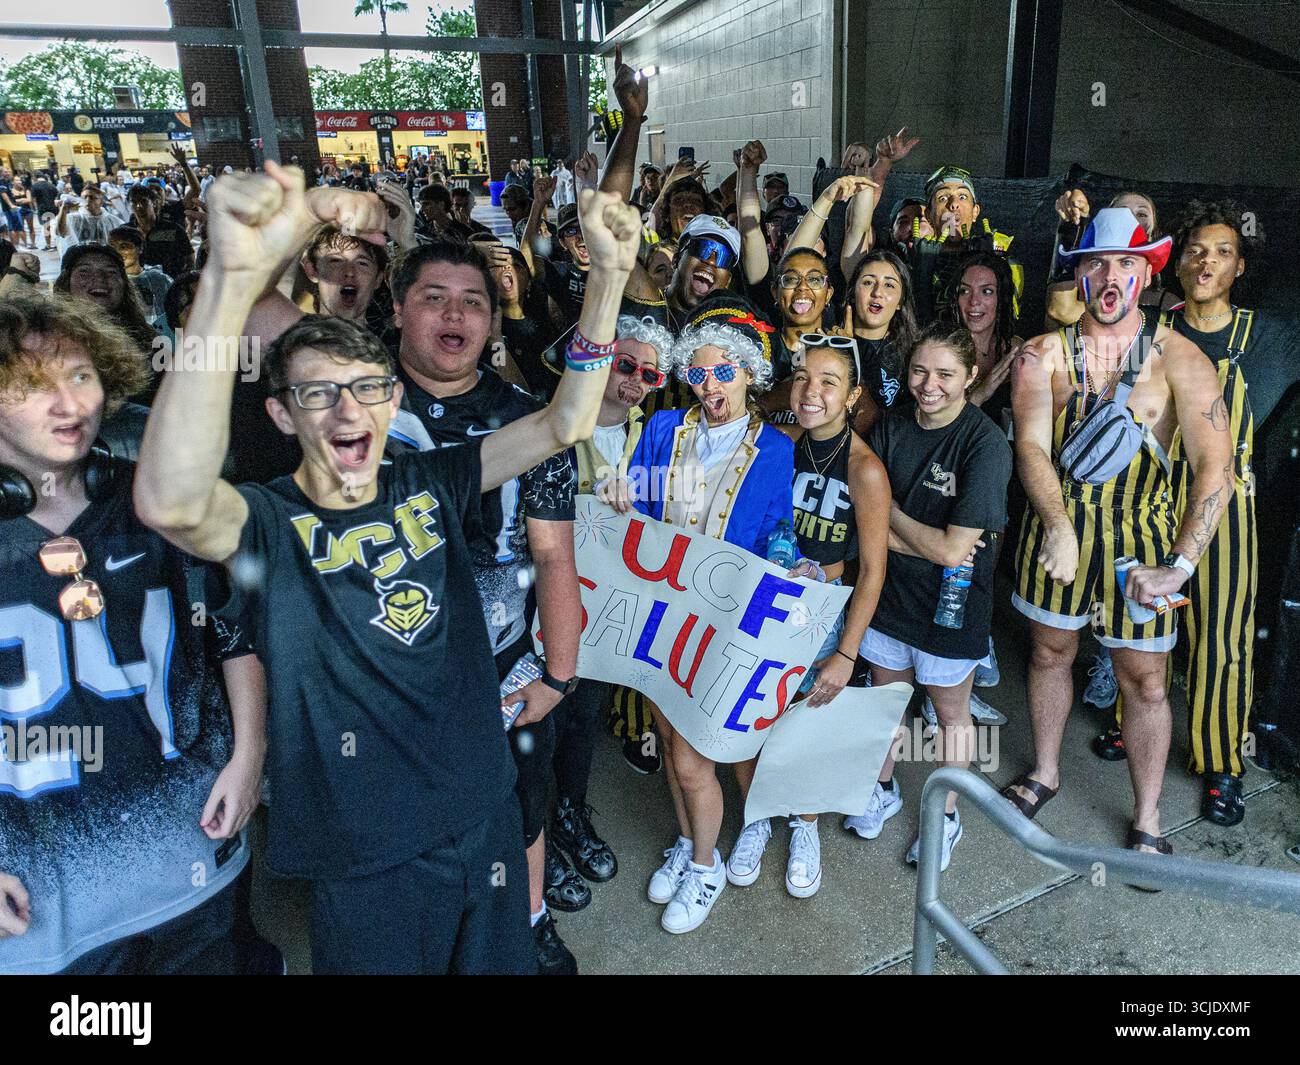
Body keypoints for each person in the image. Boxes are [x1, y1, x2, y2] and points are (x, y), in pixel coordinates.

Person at [134, 162, 640, 975]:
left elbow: (569, 418)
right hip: (365, 843)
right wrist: (231, 277)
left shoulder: (429, 479)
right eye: (318, 394)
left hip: (482, 807)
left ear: (392, 402)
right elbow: (169, 499)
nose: (347, 411)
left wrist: (610, 278)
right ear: (277, 412)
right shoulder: (269, 517)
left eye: (367, 389)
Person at [0, 290, 264, 974]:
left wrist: (249, 752)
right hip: (43, 900)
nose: (68, 403)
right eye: (32, 385)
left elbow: (232, 625)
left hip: (190, 855)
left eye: (80, 375)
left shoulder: (155, 497)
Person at [381, 238, 589, 976]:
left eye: (473, 300)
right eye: (434, 295)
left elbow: (554, 553)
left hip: (500, 658)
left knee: (525, 792)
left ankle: (528, 917)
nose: (455, 313)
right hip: (385, 668)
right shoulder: (348, 402)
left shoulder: (526, 417)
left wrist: (558, 675)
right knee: (400, 813)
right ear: (399, 304)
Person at [1007, 207, 1233, 865]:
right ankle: (1046, 771)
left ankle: (1148, 816)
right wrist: (1056, 525)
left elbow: (1215, 468)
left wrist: (1181, 566)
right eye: (1096, 262)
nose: (1110, 276)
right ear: (1078, 273)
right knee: (1049, 652)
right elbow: (1030, 446)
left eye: (1126, 263)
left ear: (1147, 271)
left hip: (1142, 549)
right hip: (1058, 541)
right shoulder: (1042, 355)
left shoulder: (1181, 361)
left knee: (1147, 682)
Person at [1092, 200, 1300, 827]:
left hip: (1227, 510)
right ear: (1174, 262)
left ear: (1239, 267)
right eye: (1195, 250)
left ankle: (1218, 765)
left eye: (1222, 252)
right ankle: (1135, 726)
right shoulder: (1147, 326)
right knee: (1141, 625)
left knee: (1223, 640)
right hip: (1150, 499)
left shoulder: (1272, 338)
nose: (1206, 261)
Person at [600, 297, 794, 934]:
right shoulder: (662, 431)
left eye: (725, 373)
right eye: (701, 374)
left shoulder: (773, 449)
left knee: (692, 758)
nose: (711, 387)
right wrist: (623, 494)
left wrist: (794, 564)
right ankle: (687, 843)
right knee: (668, 739)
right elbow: (637, 506)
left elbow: (776, 531)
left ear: (749, 374)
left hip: (724, 622)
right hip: (661, 613)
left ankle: (706, 864)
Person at [729, 333, 891, 897]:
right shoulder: (775, 445)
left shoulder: (865, 469)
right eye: (803, 377)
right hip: (758, 605)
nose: (812, 391)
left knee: (803, 725)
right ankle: (756, 818)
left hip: (819, 622)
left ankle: (804, 825)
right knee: (748, 717)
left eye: (830, 381)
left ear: (853, 396)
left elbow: (872, 569)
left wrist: (847, 653)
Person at [850, 323, 1012, 870]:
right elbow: (863, 520)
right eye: (920, 370)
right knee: (885, 701)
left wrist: (888, 515)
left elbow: (952, 553)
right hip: (888, 598)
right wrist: (922, 538)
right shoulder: (891, 426)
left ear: (970, 376)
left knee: (950, 716)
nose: (929, 384)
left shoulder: (984, 444)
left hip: (952, 608)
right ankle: (882, 790)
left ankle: (945, 818)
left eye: (945, 374)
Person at [583, 316, 673, 773]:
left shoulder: (651, 434)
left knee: (591, 698)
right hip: (560, 590)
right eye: (625, 365)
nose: (636, 379)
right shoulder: (559, 420)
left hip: (617, 593)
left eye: (650, 374)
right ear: (602, 361)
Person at [907, 165, 1020, 324]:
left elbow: (1006, 323)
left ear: (975, 212)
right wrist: (921, 274)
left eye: (962, 196)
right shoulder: (912, 262)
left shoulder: (1003, 259)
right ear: (929, 215)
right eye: (943, 198)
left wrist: (989, 265)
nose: (953, 204)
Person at [842, 250, 921, 434]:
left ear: (901, 301)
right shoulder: (830, 344)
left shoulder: (913, 355)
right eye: (868, 282)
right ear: (853, 292)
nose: (878, 293)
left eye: (889, 285)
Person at [53, 244, 159, 362]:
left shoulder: (149, 342)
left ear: (124, 284)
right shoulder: (48, 338)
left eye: (110, 272)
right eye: (84, 271)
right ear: (66, 282)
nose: (99, 278)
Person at [128, 183, 194, 281]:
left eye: (143, 201)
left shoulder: (173, 229)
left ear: (154, 203)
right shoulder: (127, 232)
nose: (139, 206)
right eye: (134, 202)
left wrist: (181, 283)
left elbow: (190, 259)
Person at [109, 225, 172, 325]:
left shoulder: (159, 280)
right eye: (112, 247)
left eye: (124, 246)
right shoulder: (108, 282)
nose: (117, 252)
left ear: (140, 248)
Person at [56, 185, 116, 249]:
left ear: (101, 202)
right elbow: (61, 233)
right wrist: (63, 210)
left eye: (92, 197)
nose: (87, 200)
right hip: (82, 257)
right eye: (84, 197)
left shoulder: (112, 220)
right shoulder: (74, 218)